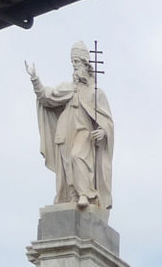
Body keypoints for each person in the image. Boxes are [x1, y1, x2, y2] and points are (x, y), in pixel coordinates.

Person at [26, 42, 114, 211]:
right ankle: (71, 197)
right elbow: (46, 97)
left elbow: (108, 121)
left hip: (84, 133)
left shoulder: (96, 93)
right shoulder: (66, 88)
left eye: (77, 62)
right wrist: (35, 79)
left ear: (86, 64)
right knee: (67, 170)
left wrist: (103, 131)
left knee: (77, 157)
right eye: (72, 63)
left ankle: (85, 194)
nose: (74, 66)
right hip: (64, 134)